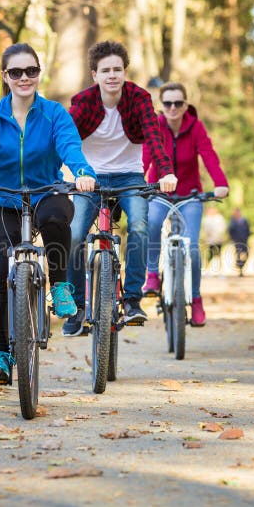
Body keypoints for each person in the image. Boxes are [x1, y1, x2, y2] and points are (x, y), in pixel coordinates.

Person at [0, 43, 97, 384]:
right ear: (5, 76)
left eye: (31, 70)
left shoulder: (53, 114)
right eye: (16, 72)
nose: (24, 78)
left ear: (38, 73)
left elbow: (69, 146)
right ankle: (0, 357)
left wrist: (82, 172)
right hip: (4, 200)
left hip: (46, 193)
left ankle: (59, 286)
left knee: (56, 218)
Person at [62, 40, 178, 337]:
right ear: (95, 75)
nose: (112, 75)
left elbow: (154, 137)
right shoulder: (84, 102)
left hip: (129, 176)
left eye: (117, 69)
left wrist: (166, 172)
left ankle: (132, 300)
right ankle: (77, 307)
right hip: (90, 178)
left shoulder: (138, 98)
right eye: (105, 70)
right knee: (74, 234)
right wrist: (57, 173)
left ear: (125, 71)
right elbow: (64, 139)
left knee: (139, 224)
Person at [142, 81, 229, 327]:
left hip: (190, 196)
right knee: (152, 223)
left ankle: (196, 299)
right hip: (160, 193)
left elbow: (209, 156)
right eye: (167, 103)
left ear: (185, 104)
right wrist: (138, 181)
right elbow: (146, 156)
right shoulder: (156, 126)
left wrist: (220, 183)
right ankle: (152, 274)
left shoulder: (195, 127)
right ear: (161, 105)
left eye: (178, 103)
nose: (172, 107)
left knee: (191, 248)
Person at [228, 207, 251, 277]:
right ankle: (240, 269)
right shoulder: (233, 221)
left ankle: (241, 266)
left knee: (246, 254)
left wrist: (247, 236)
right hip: (237, 241)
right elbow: (230, 231)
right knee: (238, 254)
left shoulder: (244, 220)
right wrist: (233, 238)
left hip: (244, 241)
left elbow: (248, 230)